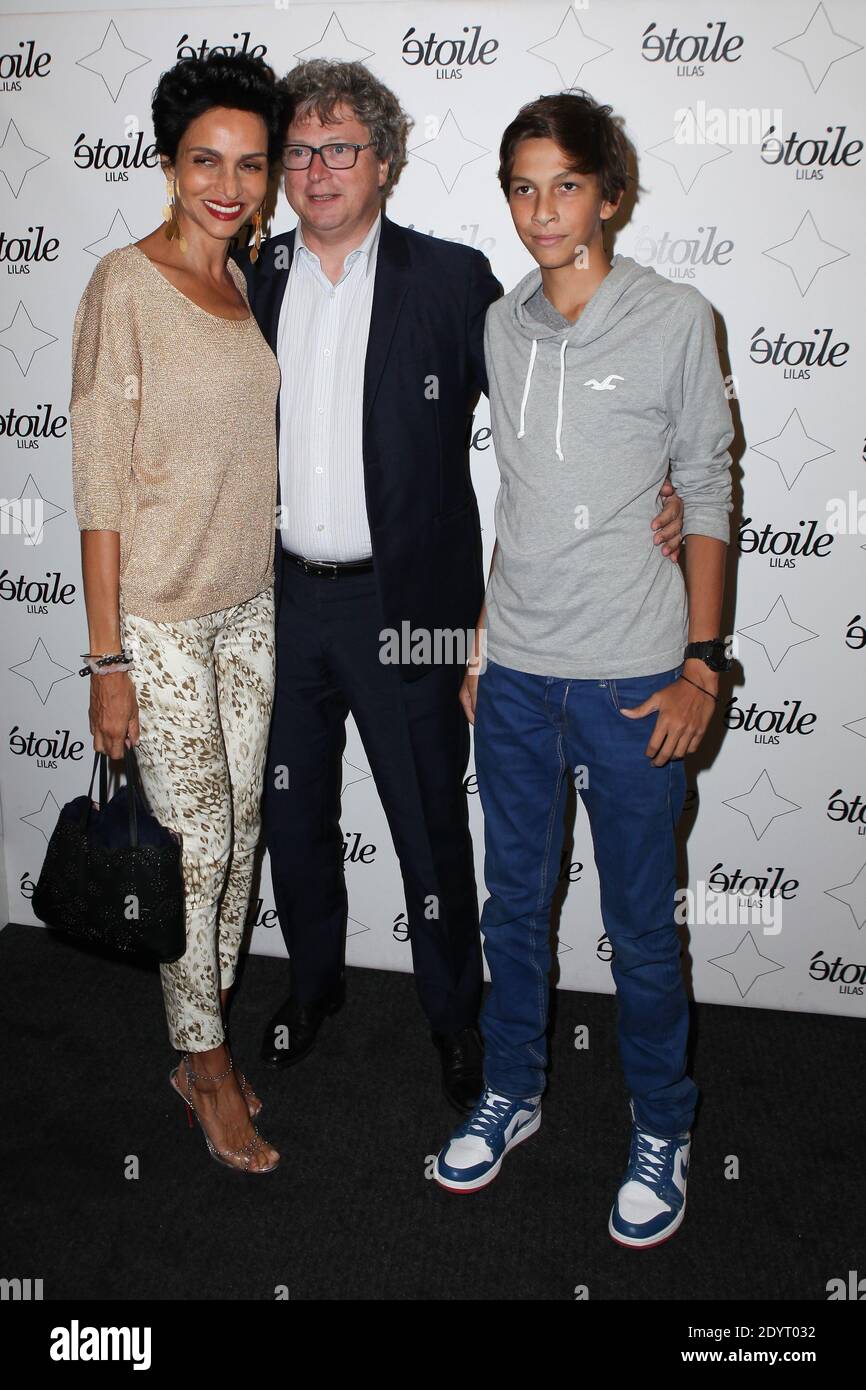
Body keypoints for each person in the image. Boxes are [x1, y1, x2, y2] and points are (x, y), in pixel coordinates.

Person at [231, 61, 687, 1112]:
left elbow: (550, 401)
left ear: (384, 164)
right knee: (290, 819)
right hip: (282, 604)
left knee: (433, 820)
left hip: (416, 614)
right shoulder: (249, 274)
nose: (317, 169)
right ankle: (312, 985)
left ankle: (453, 1018)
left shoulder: (451, 279)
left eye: (342, 147)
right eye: (298, 151)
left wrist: (658, 481)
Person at [433, 90, 735, 1249]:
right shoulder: (502, 325)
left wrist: (701, 667)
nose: (540, 208)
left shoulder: (674, 317)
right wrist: (480, 644)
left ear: (607, 191)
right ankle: (512, 1090)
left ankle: (663, 1123)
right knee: (514, 911)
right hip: (512, 682)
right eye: (520, 185)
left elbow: (704, 492)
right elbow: (516, 497)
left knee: (641, 931)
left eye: (563, 183)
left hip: (631, 684)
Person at [69, 52, 289, 1173]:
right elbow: (100, 486)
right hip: (153, 620)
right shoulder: (125, 282)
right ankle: (204, 1067)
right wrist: (106, 659)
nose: (230, 183)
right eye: (206, 159)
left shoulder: (243, 282)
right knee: (193, 855)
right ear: (166, 163)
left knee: (239, 840)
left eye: (251, 164)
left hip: (247, 609)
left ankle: (203, 1035)